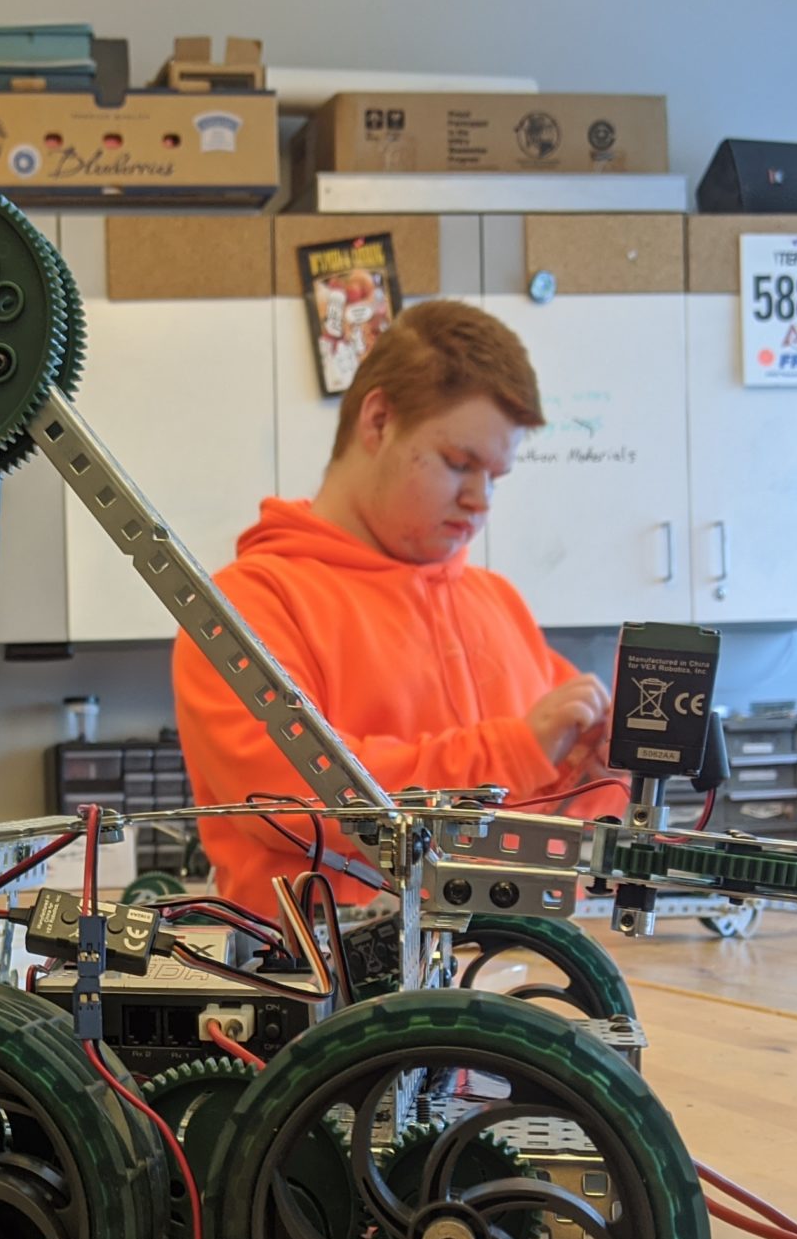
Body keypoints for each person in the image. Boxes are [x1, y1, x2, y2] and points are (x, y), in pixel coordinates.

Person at [172, 299, 622, 911]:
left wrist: (603, 778)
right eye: (460, 464)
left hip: (504, 977)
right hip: (326, 993)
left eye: (496, 476)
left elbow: (568, 830)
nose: (480, 501)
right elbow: (286, 801)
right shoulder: (247, 607)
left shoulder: (497, 603)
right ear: (379, 421)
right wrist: (512, 754)